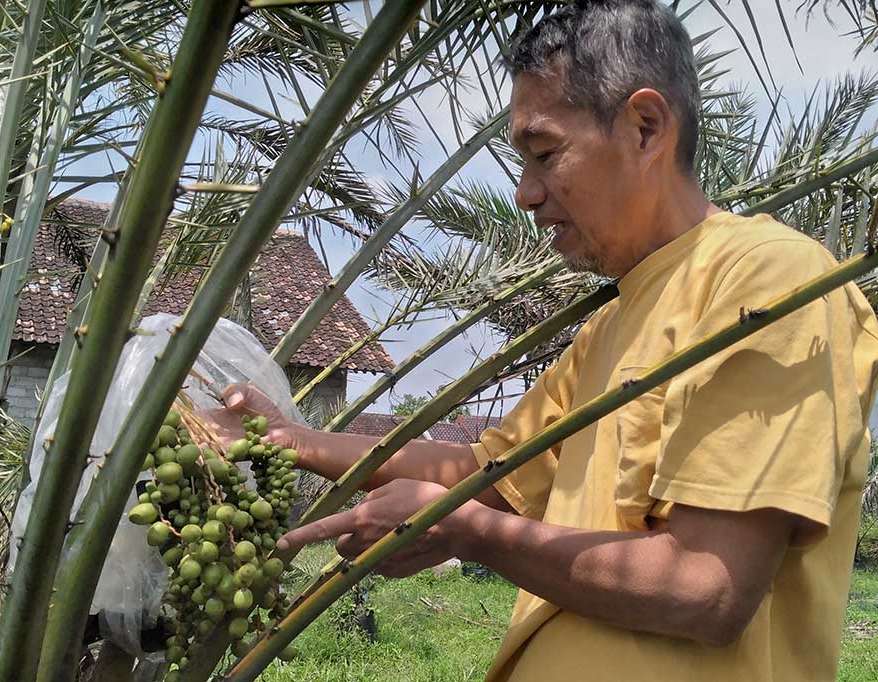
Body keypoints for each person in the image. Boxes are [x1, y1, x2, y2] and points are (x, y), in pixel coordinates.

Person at [201, 1, 878, 679]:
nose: (525, 194)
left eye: (545, 153)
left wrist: (465, 531)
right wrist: (294, 440)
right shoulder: (609, 328)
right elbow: (481, 476)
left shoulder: (767, 280)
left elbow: (708, 587)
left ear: (645, 128)